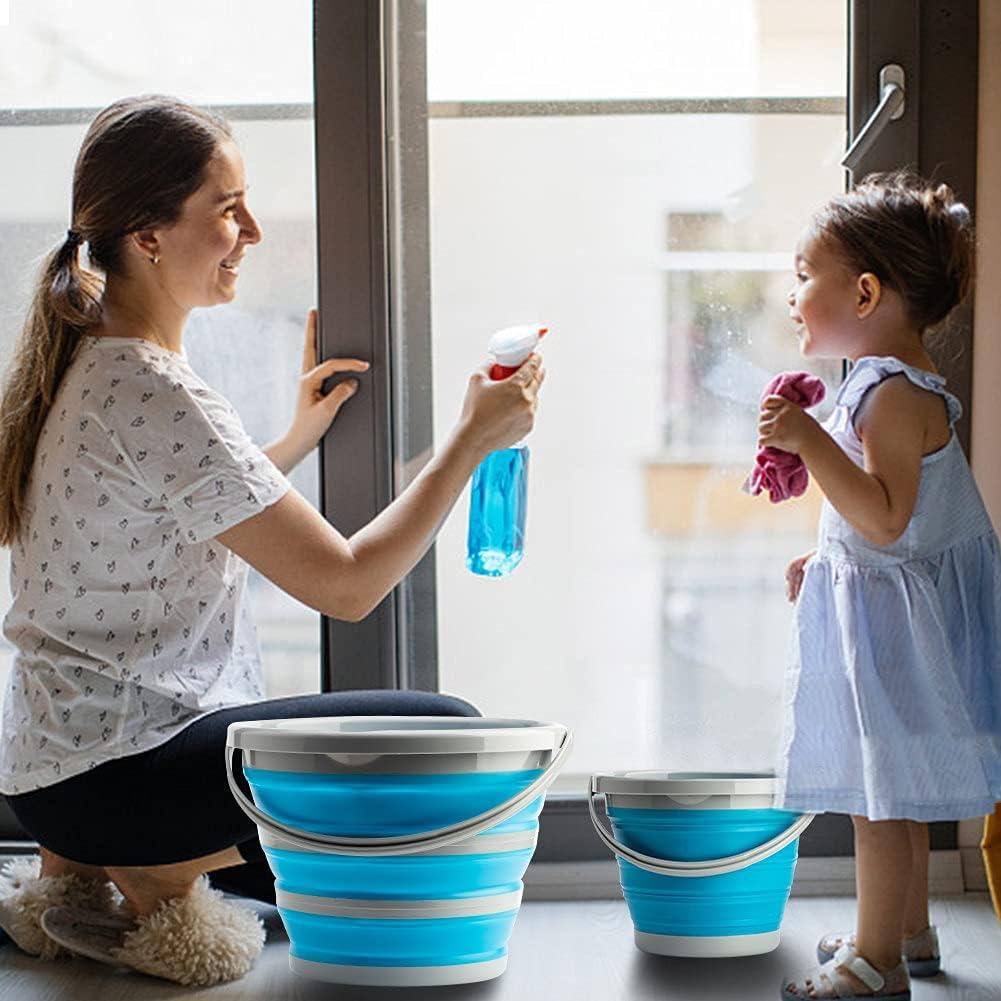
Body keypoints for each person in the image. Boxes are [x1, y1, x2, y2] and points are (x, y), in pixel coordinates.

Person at [0, 95, 545, 986]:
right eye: (227, 208)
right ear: (147, 236)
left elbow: (175, 501)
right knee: (448, 735)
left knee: (300, 884)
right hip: (119, 774)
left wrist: (289, 440)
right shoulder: (153, 386)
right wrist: (471, 439)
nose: (250, 228)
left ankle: (104, 870)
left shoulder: (95, 364)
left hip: (55, 772)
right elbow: (347, 584)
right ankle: (150, 865)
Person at [759, 171, 1000, 1001]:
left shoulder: (893, 394)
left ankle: (875, 963)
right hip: (887, 608)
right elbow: (877, 520)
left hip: (900, 626)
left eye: (804, 276)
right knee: (890, 788)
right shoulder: (879, 384)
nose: (793, 296)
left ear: (863, 292)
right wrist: (820, 558)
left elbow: (888, 517)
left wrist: (804, 441)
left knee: (878, 798)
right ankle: (905, 928)